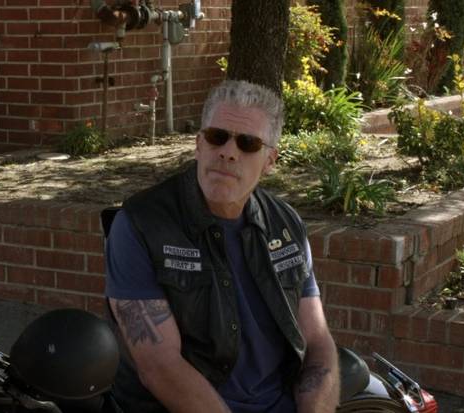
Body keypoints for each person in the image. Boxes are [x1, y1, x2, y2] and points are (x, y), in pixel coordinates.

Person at [104, 80, 340, 412]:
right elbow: (160, 366)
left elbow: (317, 340)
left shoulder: (285, 224)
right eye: (217, 136)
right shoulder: (142, 224)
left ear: (270, 160)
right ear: (199, 144)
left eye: (248, 143)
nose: (229, 152)